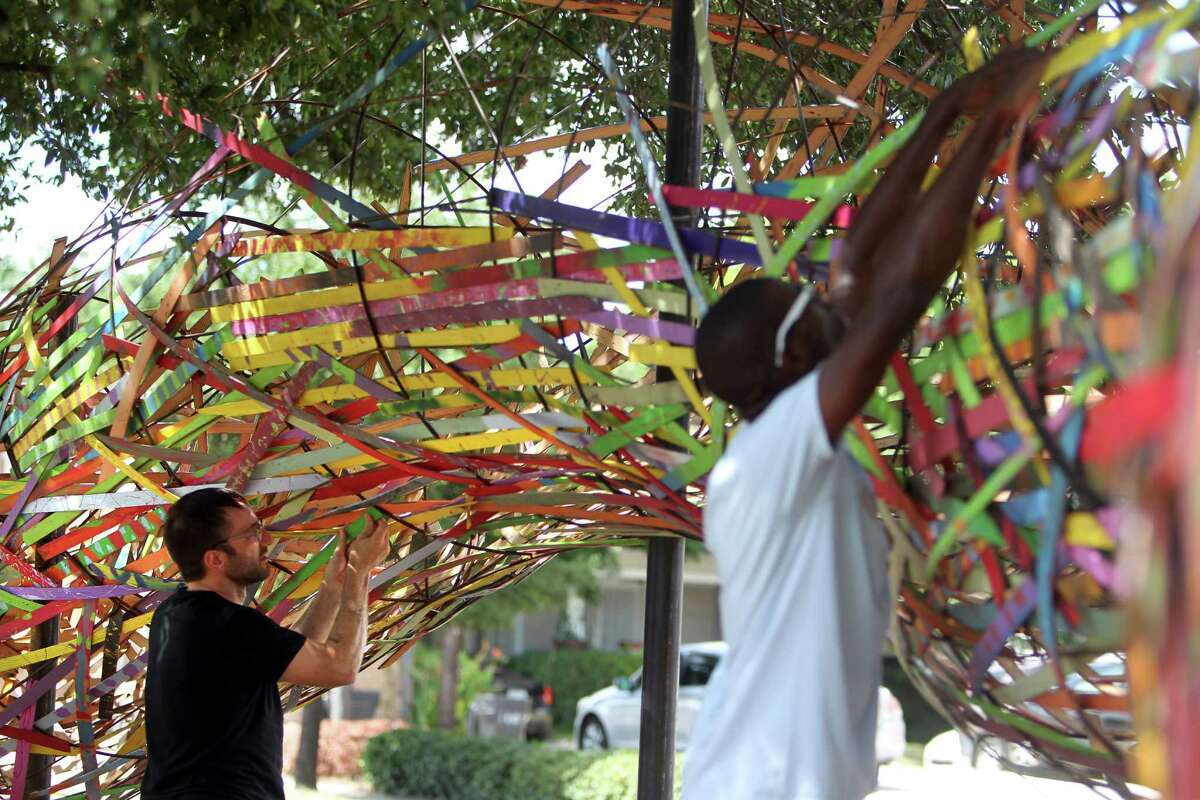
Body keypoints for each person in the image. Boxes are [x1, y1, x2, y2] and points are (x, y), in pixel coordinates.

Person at [681, 49, 1049, 800]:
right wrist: (994, 130)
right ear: (788, 362)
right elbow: (902, 291)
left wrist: (950, 108)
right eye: (815, 317)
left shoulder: (778, 444)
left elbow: (859, 267)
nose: (832, 310)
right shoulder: (773, 453)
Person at [142, 487, 390, 800]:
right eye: (251, 534)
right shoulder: (227, 624)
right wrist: (359, 574)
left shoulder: (178, 613)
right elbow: (340, 667)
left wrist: (333, 587)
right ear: (216, 558)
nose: (266, 541)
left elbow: (292, 653)